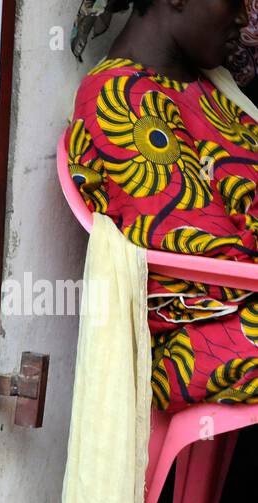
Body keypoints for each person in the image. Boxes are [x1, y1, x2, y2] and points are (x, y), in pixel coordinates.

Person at [66, 0, 258, 409]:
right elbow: (203, 256)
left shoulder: (206, 85)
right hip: (198, 337)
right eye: (235, 0)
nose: (244, 18)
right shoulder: (118, 97)